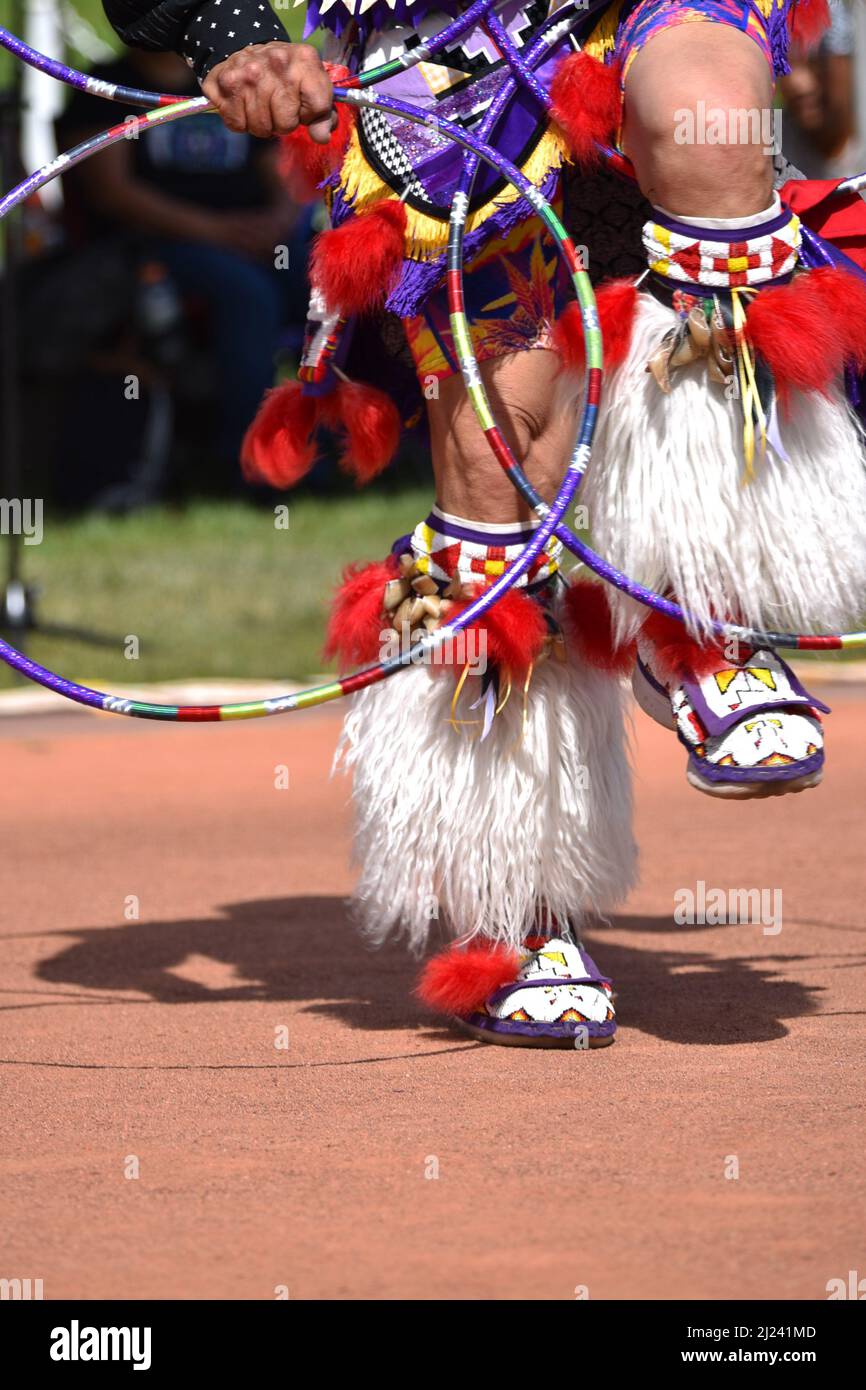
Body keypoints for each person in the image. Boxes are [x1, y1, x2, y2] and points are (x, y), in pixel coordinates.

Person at [100, 0, 866, 1047]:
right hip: (440, 54)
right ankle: (512, 911)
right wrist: (225, 32)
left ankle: (704, 612)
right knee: (500, 465)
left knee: (705, 121)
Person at [59, 46, 312, 483]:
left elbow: (284, 172)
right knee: (247, 296)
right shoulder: (103, 88)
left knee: (327, 281)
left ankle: (340, 448)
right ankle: (247, 461)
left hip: (252, 240)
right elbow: (112, 194)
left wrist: (276, 223)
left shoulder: (229, 79)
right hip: (151, 249)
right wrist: (217, 231)